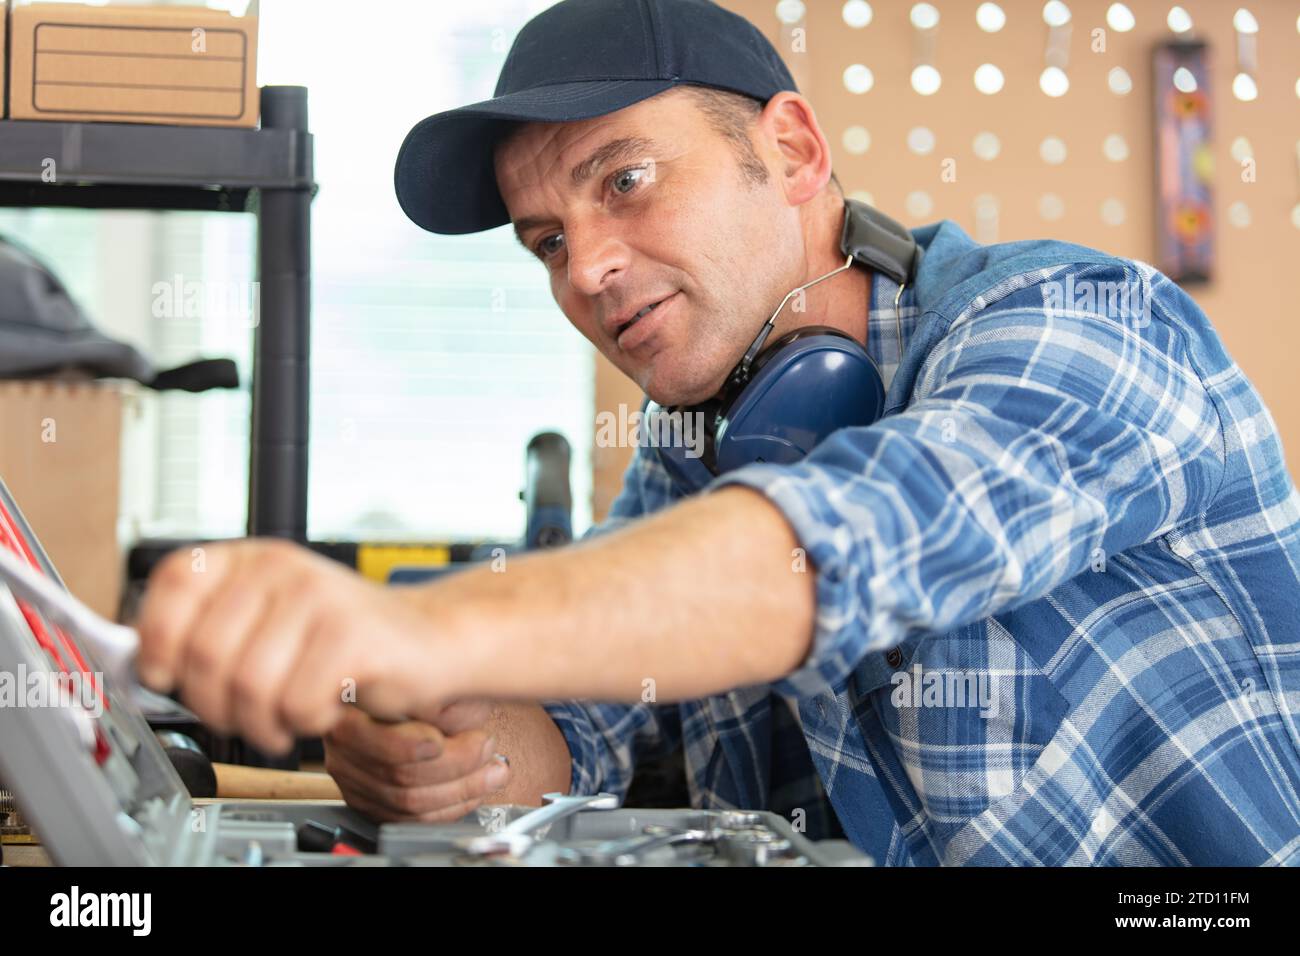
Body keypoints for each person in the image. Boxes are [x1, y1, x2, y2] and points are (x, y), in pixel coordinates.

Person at [137, 0, 1300, 865]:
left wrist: (410, 623)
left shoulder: (1085, 327)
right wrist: (446, 749)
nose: (585, 267)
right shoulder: (692, 440)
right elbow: (578, 722)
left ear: (791, 151)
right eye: (545, 241)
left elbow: (830, 547)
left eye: (627, 179)